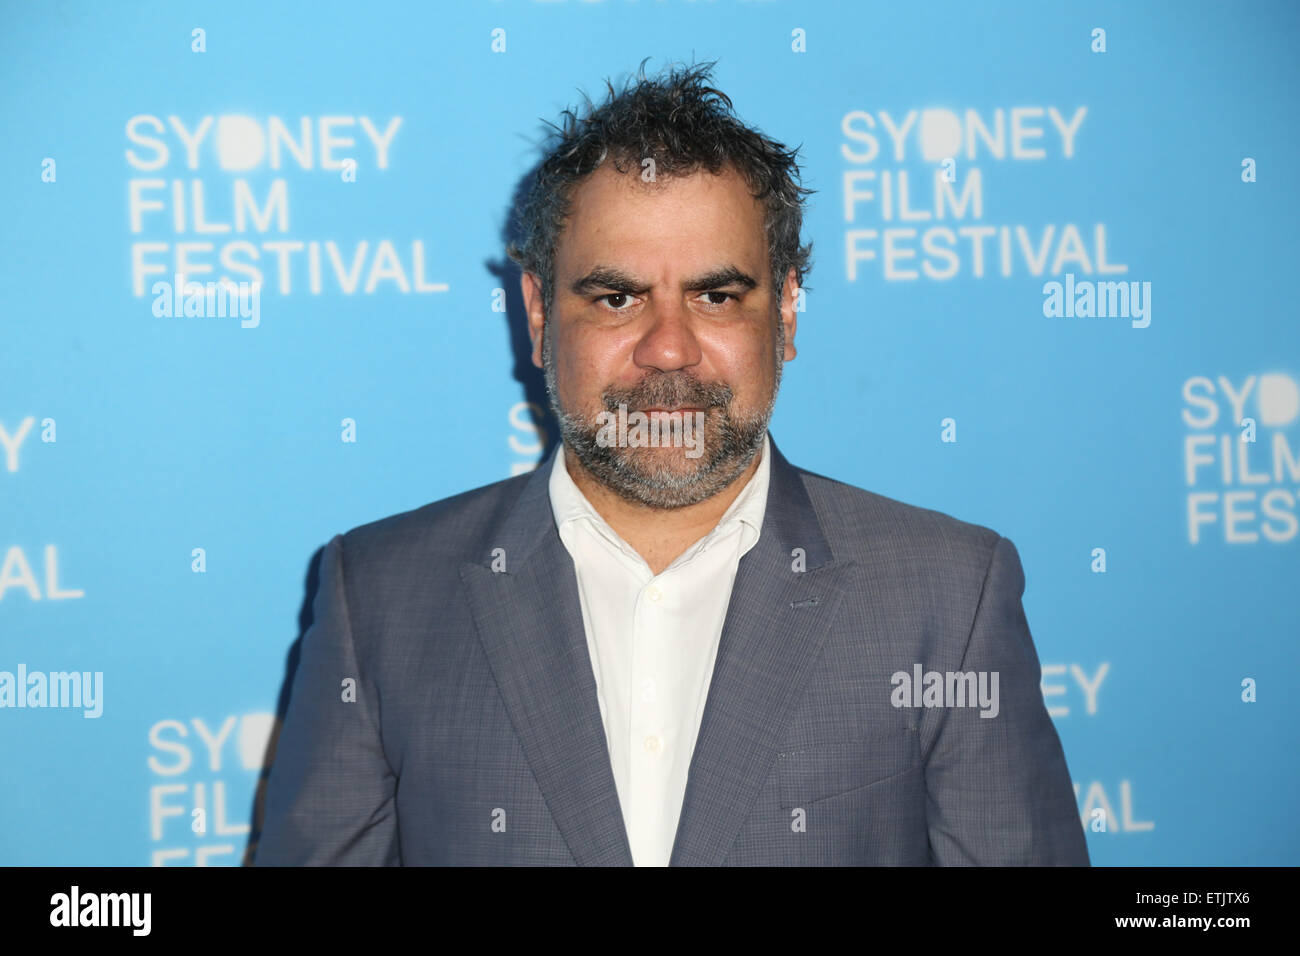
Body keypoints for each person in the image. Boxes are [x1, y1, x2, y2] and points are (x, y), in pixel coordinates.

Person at [254, 60, 1089, 866]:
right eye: (616, 298)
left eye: (715, 296)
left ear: (788, 310)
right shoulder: (382, 596)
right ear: (539, 312)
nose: (668, 349)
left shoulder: (947, 597)